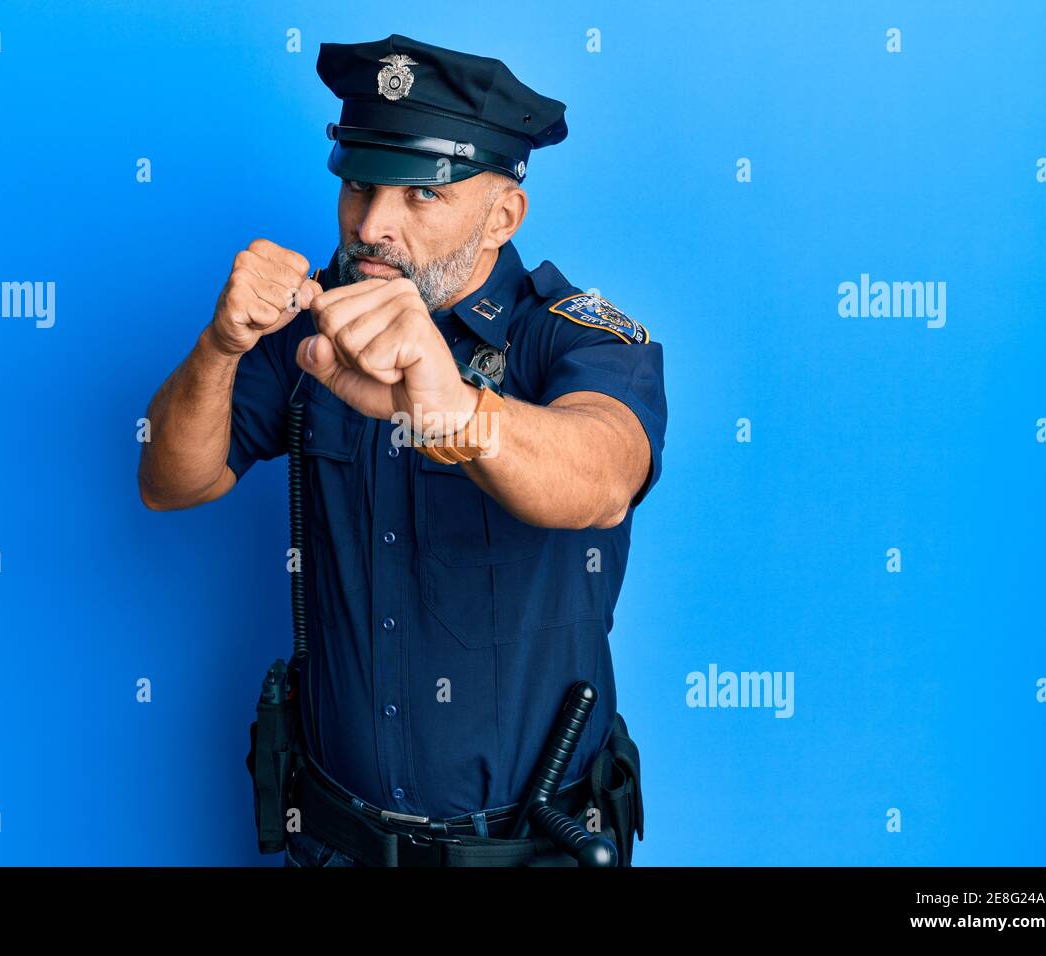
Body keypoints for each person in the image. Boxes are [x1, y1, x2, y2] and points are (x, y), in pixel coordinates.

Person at [138, 34, 664, 867]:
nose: (372, 226)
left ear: (503, 214)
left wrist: (453, 409)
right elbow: (171, 480)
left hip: (527, 853)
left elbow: (601, 477)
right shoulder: (316, 323)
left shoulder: (576, 339)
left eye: (420, 194)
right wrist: (219, 346)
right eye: (358, 185)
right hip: (336, 845)